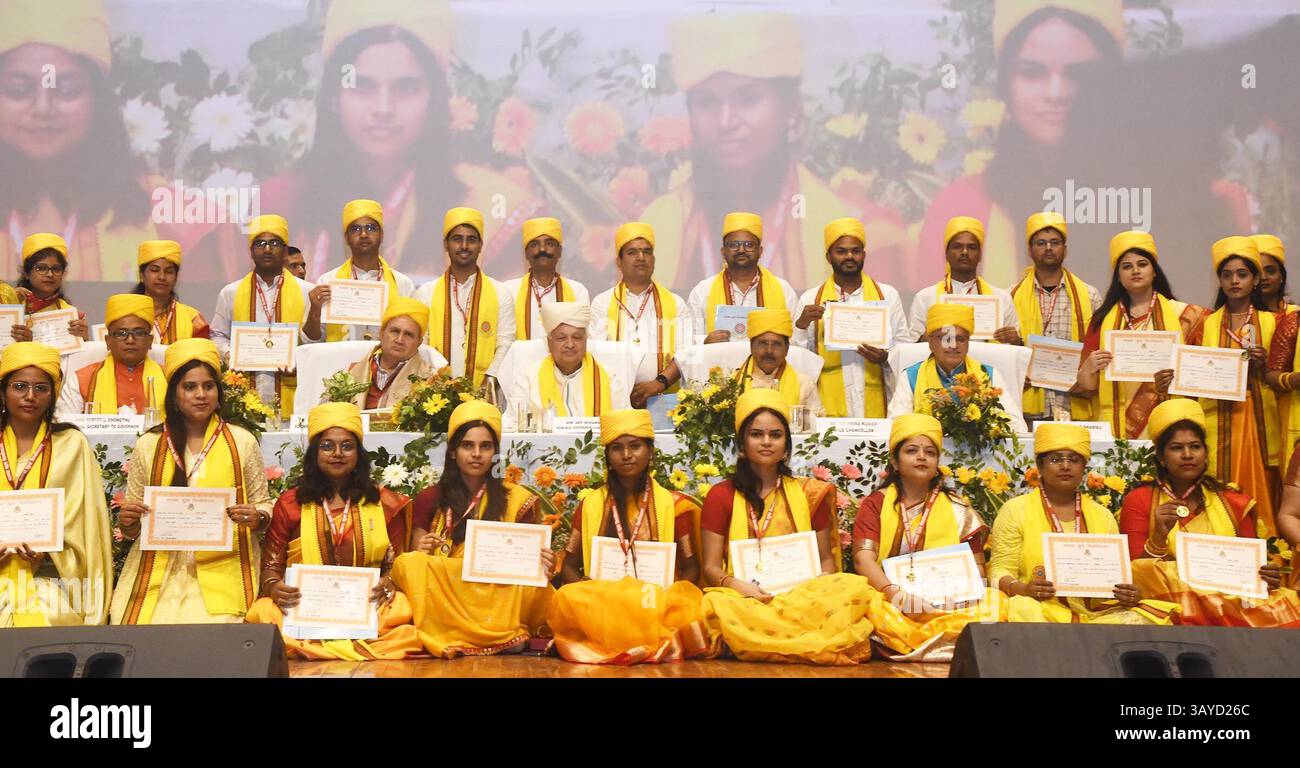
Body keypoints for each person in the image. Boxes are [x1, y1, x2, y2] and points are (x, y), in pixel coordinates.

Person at [259, 0, 542, 283]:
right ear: (333, 97)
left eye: (406, 87)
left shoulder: (485, 206)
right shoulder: (280, 202)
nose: (383, 108)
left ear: (434, 100)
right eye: (363, 86)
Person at [641, 11, 905, 293]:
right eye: (707, 102)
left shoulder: (861, 231)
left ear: (791, 108)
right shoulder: (656, 225)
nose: (725, 121)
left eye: (748, 98)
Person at [917, 2, 1126, 288]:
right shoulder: (960, 207)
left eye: (1078, 75)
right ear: (1006, 86)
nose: (1056, 93)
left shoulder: (1150, 201)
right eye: (1032, 72)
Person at [698, 389, 875, 665]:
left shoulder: (809, 493)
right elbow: (710, 567)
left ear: (786, 444)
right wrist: (737, 585)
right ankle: (796, 639)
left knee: (852, 587)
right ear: (742, 444)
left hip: (801, 596)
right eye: (756, 434)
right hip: (744, 598)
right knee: (715, 604)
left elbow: (827, 562)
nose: (766, 442)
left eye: (776, 435)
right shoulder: (721, 495)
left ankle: (766, 638)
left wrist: (812, 584)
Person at [0, 0, 165, 283]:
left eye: (66, 90)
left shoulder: (166, 214)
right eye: (18, 89)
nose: (43, 108)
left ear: (97, 101)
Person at [245, 402, 425, 660]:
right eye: (327, 446)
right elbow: (272, 566)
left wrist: (389, 582)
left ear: (359, 454)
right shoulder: (291, 503)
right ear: (314, 454)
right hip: (306, 606)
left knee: (401, 610)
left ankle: (312, 647)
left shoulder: (383, 503)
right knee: (264, 614)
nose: (337, 453)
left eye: (347, 446)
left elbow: (395, 564)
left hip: (364, 606)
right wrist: (275, 588)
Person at [110, 339, 273, 624]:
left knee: (217, 627)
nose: (201, 395)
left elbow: (264, 506)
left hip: (225, 564)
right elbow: (132, 528)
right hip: (161, 564)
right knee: (146, 626)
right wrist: (128, 521)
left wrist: (257, 516)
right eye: (189, 387)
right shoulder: (149, 445)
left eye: (208, 386)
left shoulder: (242, 441)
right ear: (174, 395)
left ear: (218, 393)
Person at [390, 400, 554, 656]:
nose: (477, 454)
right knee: (408, 564)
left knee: (538, 585)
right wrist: (423, 549)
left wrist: (543, 560)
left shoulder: (517, 498)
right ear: (453, 451)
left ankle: (499, 630)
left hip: (497, 588)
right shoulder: (430, 497)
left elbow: (527, 561)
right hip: (450, 589)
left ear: (495, 453)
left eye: (485, 446)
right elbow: (417, 556)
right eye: (468, 445)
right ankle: (495, 634)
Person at [1121, 400, 1300, 627]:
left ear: (1205, 453)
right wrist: (1157, 538)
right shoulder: (1140, 500)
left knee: (1289, 605)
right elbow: (1135, 574)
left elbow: (1250, 569)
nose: (1187, 454)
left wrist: (1265, 576)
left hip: (1228, 600)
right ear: (1162, 457)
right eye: (1177, 448)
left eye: (1195, 447)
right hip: (1170, 601)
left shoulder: (1233, 501)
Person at [548, 409, 707, 664]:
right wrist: (587, 591)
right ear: (608, 455)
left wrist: (667, 595)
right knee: (567, 596)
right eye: (617, 448)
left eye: (635, 446)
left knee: (690, 603)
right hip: (602, 603)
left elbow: (691, 568)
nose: (626, 455)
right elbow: (568, 565)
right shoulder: (591, 504)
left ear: (650, 450)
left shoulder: (674, 506)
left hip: (654, 601)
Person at [989, 423, 1175, 624]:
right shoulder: (1015, 510)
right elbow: (999, 570)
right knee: (1022, 608)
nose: (1066, 466)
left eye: (1074, 460)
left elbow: (1117, 577)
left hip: (1093, 611)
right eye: (1055, 459)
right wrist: (1023, 589)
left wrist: (1126, 592)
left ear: (1084, 467)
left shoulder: (1102, 515)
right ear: (1040, 466)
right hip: (1040, 608)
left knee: (1146, 617)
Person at [852, 414, 1002, 661]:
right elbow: (863, 560)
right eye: (912, 450)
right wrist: (895, 593)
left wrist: (958, 593)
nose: (921, 457)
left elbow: (977, 568)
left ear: (936, 463)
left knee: (997, 605)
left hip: (948, 600)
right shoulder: (876, 504)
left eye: (930, 452)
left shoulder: (958, 508)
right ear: (895, 461)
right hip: (888, 596)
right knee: (863, 605)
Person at [0, 342, 111, 627]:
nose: (30, 396)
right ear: (3, 392)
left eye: (41, 388)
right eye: (19, 386)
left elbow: (85, 526)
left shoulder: (71, 445)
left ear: (53, 395)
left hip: (50, 574)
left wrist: (49, 549)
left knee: (50, 614)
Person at [1185, 237, 1279, 537]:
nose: (1234, 280)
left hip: (1259, 421)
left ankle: (1269, 553)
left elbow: (1284, 377)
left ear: (1255, 280)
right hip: (1218, 419)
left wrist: (1267, 366)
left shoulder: (1274, 322)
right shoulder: (1206, 323)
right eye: (1227, 275)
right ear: (1220, 281)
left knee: (1261, 486)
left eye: (1242, 274)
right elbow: (1192, 373)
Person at [1075, 231, 1207, 438]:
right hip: (1116, 428)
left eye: (1142, 264)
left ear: (1155, 271)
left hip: (1168, 424)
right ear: (1118, 276)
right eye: (1127, 266)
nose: (1135, 271)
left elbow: (1203, 372)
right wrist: (1090, 366)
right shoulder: (1102, 320)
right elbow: (1088, 386)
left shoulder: (1187, 316)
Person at [210, 215, 323, 419]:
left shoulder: (307, 291)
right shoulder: (231, 292)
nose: (268, 249)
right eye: (260, 243)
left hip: (293, 392)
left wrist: (299, 356)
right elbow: (217, 335)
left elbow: (315, 342)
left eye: (274, 243)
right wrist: (231, 356)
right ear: (251, 250)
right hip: (243, 392)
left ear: (285, 250)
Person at [792, 218, 908, 418]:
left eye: (855, 251)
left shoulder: (887, 295)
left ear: (863, 254)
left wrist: (885, 358)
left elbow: (905, 349)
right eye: (841, 251)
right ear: (828, 257)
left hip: (878, 398)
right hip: (826, 401)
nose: (849, 256)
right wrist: (802, 325)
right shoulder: (810, 299)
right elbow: (798, 359)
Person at [1009, 212, 1100, 421]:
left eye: (1055, 242)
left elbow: (1097, 350)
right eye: (1041, 243)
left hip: (1074, 406)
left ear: (1065, 250)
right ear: (1030, 251)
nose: (1048, 248)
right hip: (1027, 409)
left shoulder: (1089, 295)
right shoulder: (1011, 296)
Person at [590, 222, 691, 408]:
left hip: (664, 399)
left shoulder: (675, 304)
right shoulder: (601, 303)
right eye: (632, 252)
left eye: (646, 251)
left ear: (653, 259)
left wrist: (658, 383)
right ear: (619, 262)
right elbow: (596, 355)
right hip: (615, 399)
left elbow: (685, 353)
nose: (640, 257)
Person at [415, 207, 514, 391]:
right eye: (457, 239)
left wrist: (489, 380)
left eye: (471, 240)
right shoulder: (426, 293)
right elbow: (421, 344)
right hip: (435, 396)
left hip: (485, 395)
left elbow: (506, 343)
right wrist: (434, 383)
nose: (464, 246)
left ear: (480, 245)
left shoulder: (500, 292)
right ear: (446, 244)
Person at [887, 303, 1028, 432]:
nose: (953, 345)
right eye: (945, 339)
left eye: (960, 339)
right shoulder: (912, 376)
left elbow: (1017, 427)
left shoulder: (988, 375)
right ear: (930, 342)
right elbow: (897, 426)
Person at [503, 302, 630, 428]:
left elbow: (624, 422)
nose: (570, 344)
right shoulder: (528, 378)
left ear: (585, 341)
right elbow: (512, 424)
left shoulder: (608, 377)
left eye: (577, 337)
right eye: (561, 338)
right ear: (549, 343)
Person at [686, 212, 799, 344]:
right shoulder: (702, 291)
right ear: (723, 252)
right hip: (718, 363)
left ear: (760, 251)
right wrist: (705, 341)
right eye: (733, 245)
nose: (741, 250)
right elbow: (689, 337)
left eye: (749, 245)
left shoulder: (783, 290)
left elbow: (795, 338)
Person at [906, 216, 1020, 343]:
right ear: (947, 254)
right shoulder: (925, 298)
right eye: (957, 247)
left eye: (971, 247)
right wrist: (931, 336)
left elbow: (1015, 350)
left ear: (980, 255)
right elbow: (911, 346)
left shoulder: (1001, 298)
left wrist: (1015, 340)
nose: (965, 252)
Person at [316, 199, 417, 342]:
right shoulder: (327, 281)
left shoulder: (403, 284)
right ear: (346, 238)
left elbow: (412, 334)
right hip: (340, 363)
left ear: (381, 235)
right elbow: (312, 340)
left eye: (370, 228)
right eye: (355, 229)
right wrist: (315, 310)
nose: (363, 234)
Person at [57, 294, 166, 418]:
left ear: (150, 340)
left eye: (139, 333)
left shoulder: (170, 378)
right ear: (108, 341)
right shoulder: (82, 379)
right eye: (121, 333)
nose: (130, 340)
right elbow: (65, 428)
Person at [342, 296, 436, 411]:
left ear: (419, 342)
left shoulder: (430, 379)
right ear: (381, 333)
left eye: (408, 335)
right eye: (395, 331)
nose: (400, 340)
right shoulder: (351, 372)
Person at [502, 218, 590, 340]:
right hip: (520, 359)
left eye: (549, 244)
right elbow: (504, 340)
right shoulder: (509, 290)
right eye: (534, 244)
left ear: (559, 251)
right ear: (526, 253)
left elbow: (580, 339)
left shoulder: (577, 291)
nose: (542, 249)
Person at [733, 308, 821, 412]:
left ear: (787, 349)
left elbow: (816, 426)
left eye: (776, 344)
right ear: (752, 346)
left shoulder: (803, 384)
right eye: (763, 343)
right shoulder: (732, 383)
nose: (769, 351)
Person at [9, 234, 89, 343]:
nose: (50, 274)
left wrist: (84, 340)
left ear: (63, 274)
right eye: (41, 268)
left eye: (56, 269)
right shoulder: (8, 304)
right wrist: (7, 302)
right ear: (26, 273)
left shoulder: (71, 314)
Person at [133, 240, 210, 343]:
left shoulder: (193, 320)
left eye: (169, 272)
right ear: (141, 275)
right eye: (155, 270)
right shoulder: (125, 315)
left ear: (176, 278)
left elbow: (202, 355)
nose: (162, 277)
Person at [1253, 234, 1294, 315]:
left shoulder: (1295, 315)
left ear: (1282, 275)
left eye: (1270, 271)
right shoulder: (1241, 318)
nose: (1263, 277)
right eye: (1258, 272)